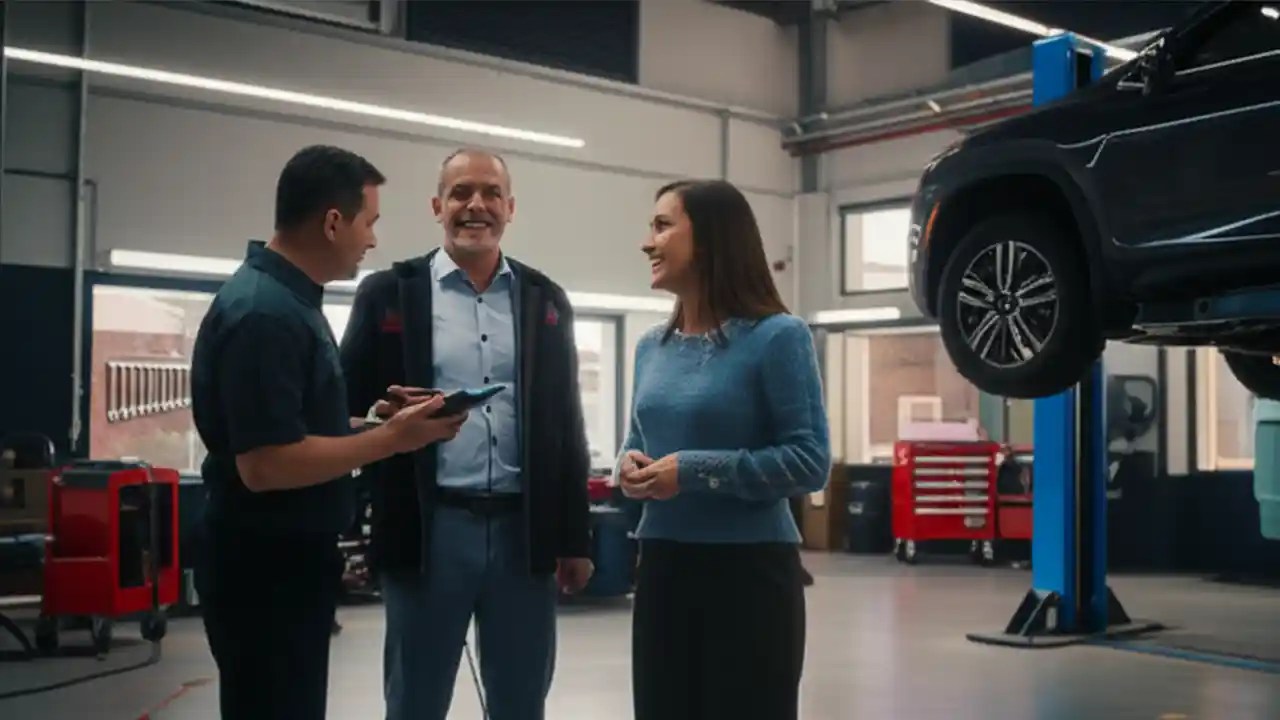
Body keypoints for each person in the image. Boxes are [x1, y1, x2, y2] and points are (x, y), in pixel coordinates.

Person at [190, 144, 468, 720]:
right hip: (266, 571)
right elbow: (266, 464)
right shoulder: (266, 315)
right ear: (333, 221)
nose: (372, 240)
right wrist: (395, 441)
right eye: (369, 222)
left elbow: (290, 428)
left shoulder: (288, 302)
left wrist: (376, 423)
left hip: (283, 562)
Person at [339, 148, 595, 720]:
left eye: (489, 193)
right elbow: (343, 408)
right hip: (430, 531)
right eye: (459, 193)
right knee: (415, 699)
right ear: (437, 206)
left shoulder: (544, 299)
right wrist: (383, 419)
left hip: (520, 534)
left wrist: (574, 538)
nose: (474, 205)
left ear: (510, 208)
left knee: (520, 700)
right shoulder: (388, 293)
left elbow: (565, 425)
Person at [616, 179, 832, 720]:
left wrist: (693, 472)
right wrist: (628, 467)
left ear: (710, 240)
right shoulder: (650, 348)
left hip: (749, 577)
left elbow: (809, 461)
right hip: (663, 567)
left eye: (663, 225)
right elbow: (640, 441)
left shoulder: (779, 337)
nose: (648, 241)